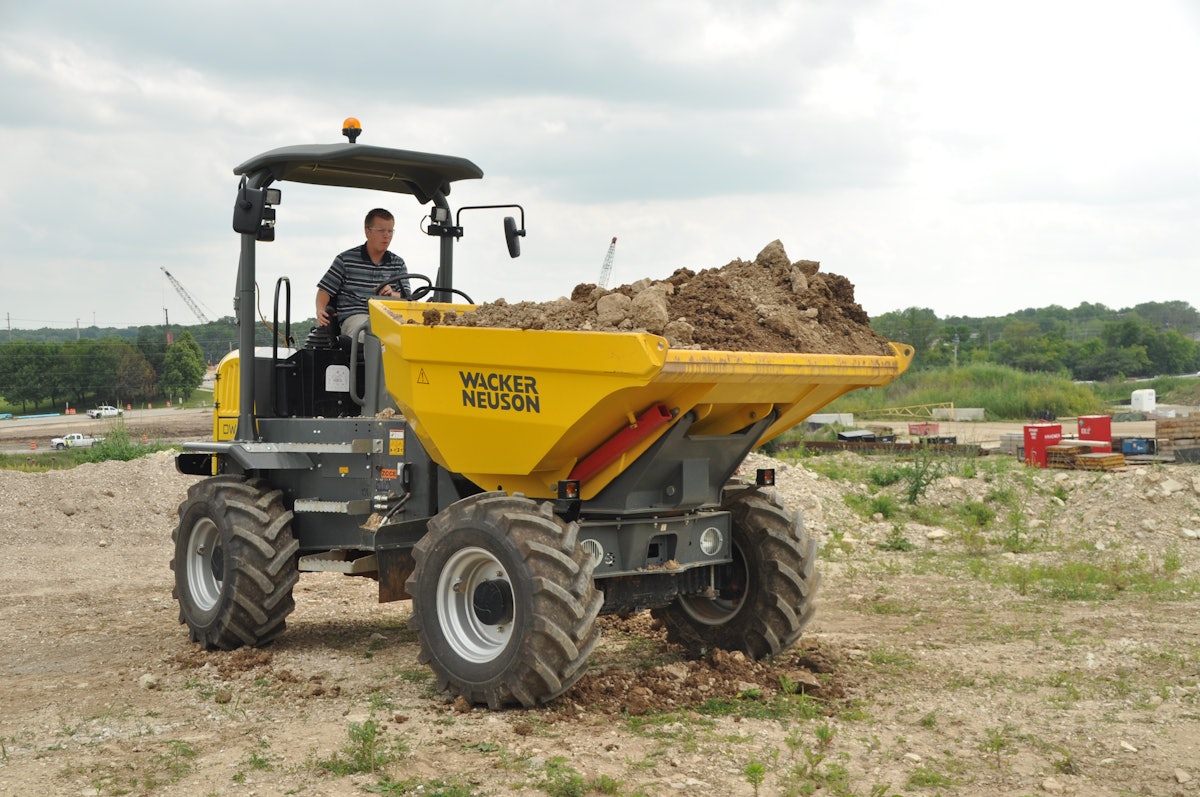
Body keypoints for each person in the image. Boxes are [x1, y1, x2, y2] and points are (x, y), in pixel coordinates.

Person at [315, 208, 410, 340]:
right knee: (370, 334)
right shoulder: (345, 260)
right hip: (356, 317)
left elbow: (407, 299)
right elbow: (324, 290)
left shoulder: (398, 263)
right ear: (367, 231)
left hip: (389, 318)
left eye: (390, 231)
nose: (386, 235)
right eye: (381, 231)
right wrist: (320, 310)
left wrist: (391, 294)